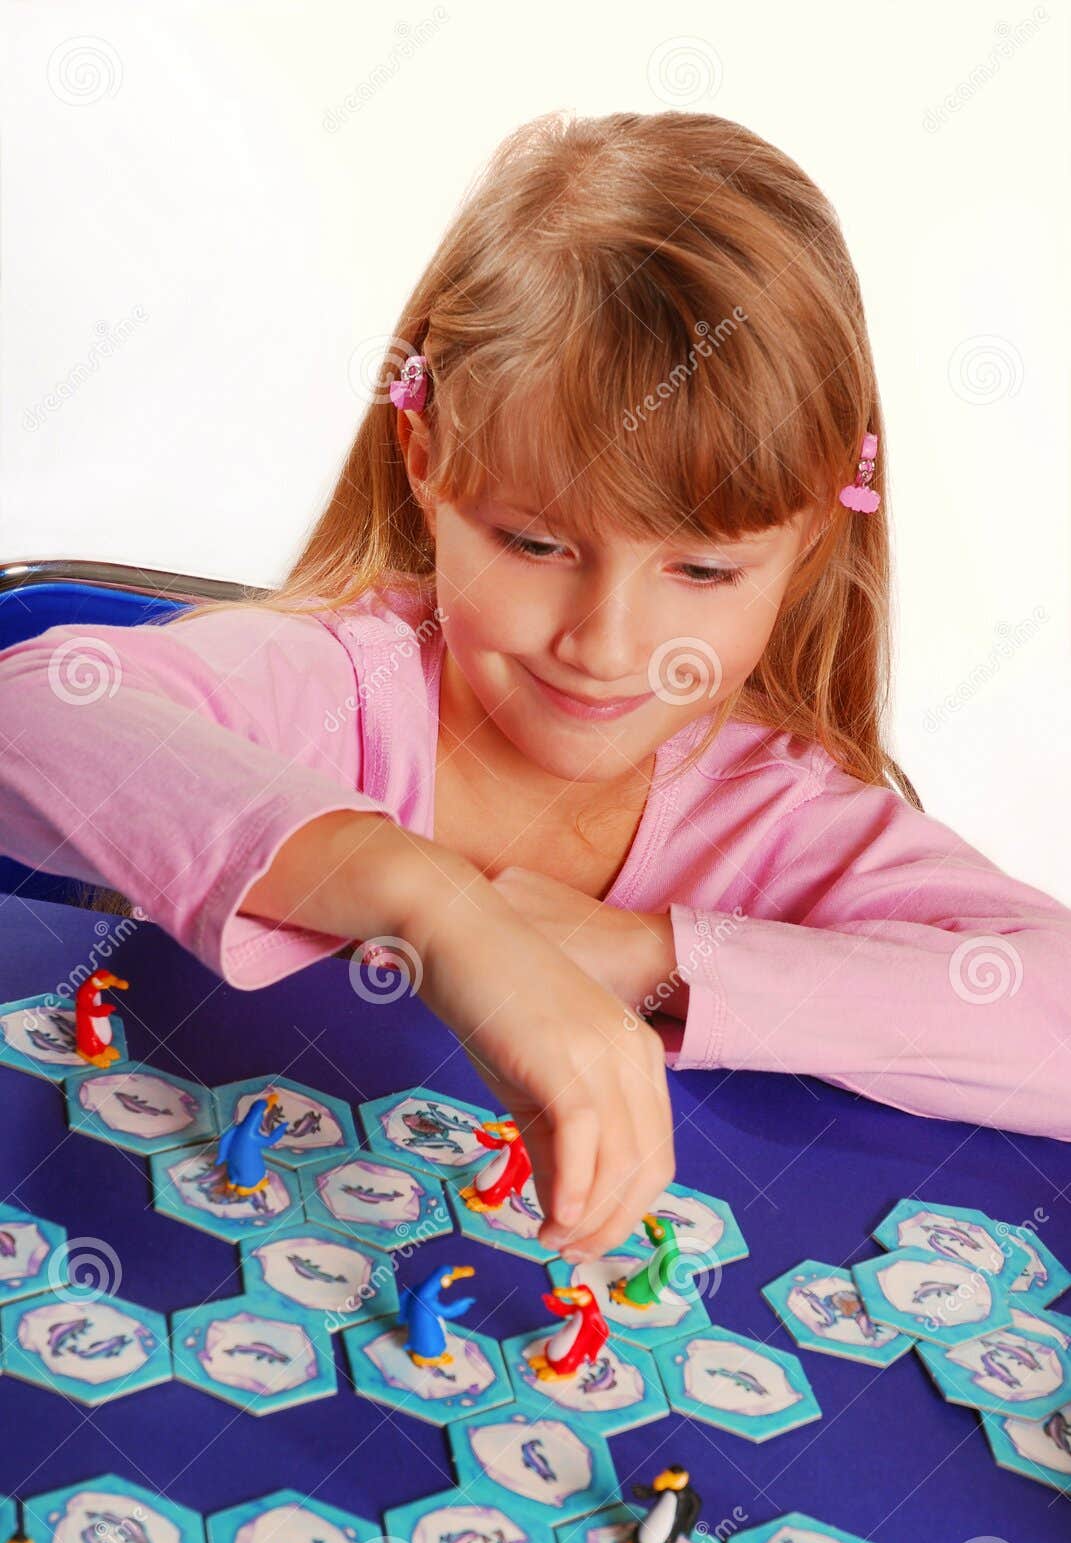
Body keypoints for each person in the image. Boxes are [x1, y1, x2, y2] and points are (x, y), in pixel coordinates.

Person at [2, 112, 1068, 1270]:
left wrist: (647, 953)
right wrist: (438, 907)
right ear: (427, 461)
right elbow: (34, 707)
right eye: (537, 544)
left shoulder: (781, 818)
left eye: (701, 569)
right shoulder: (337, 693)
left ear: (811, 539)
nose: (607, 646)